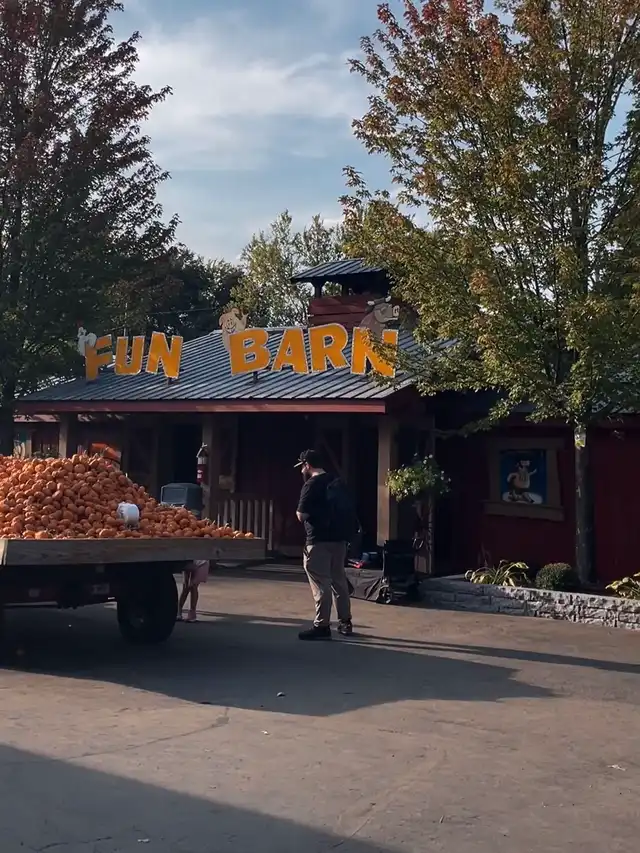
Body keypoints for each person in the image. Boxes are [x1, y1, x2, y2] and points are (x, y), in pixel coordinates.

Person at [295, 449, 354, 640]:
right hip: (339, 539)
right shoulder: (337, 481)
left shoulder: (311, 485)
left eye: (302, 466)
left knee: (321, 583)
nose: (301, 470)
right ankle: (345, 622)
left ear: (307, 465)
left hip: (318, 540)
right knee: (339, 581)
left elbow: (301, 515)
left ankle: (322, 625)